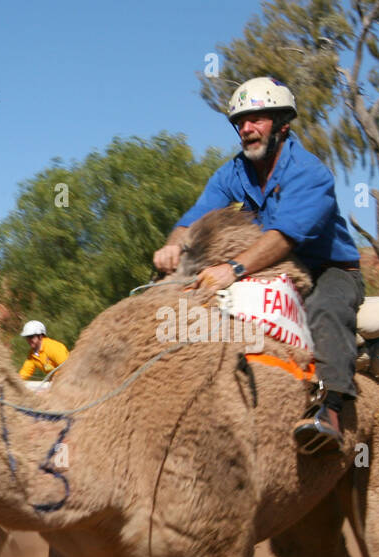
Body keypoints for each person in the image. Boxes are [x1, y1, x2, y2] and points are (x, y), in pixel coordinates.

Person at [152, 76, 364, 454]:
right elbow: (197, 216)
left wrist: (231, 270)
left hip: (326, 269)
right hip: (274, 266)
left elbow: (284, 237)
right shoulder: (235, 171)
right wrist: (172, 247)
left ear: (282, 123)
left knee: (325, 308)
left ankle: (330, 409)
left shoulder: (310, 173)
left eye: (258, 119)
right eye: (240, 122)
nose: (247, 129)